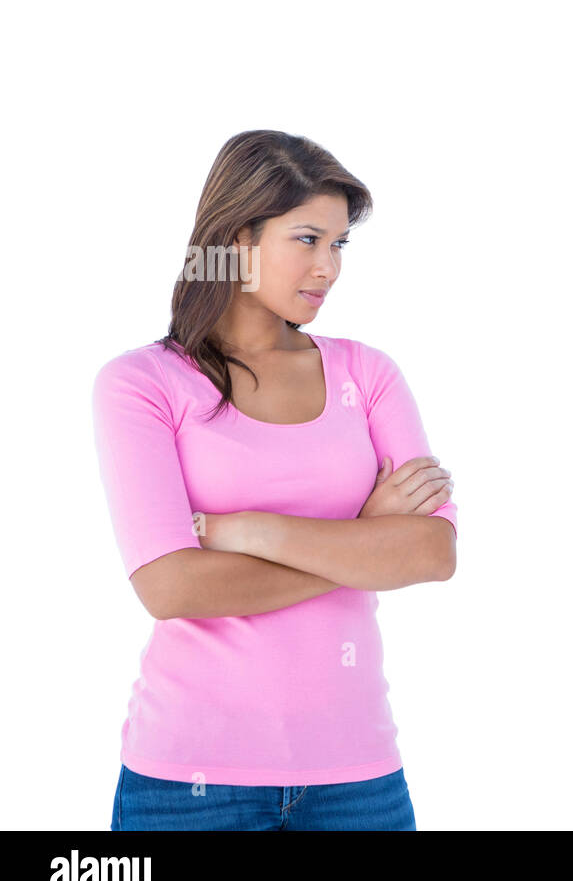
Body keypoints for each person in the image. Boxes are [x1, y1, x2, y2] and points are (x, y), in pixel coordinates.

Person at [92, 130, 458, 830]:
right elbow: (170, 588)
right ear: (236, 237)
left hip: (359, 779)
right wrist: (360, 543)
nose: (329, 267)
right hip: (188, 782)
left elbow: (431, 554)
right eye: (308, 239)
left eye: (340, 245)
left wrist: (246, 533)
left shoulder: (368, 375)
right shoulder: (141, 385)